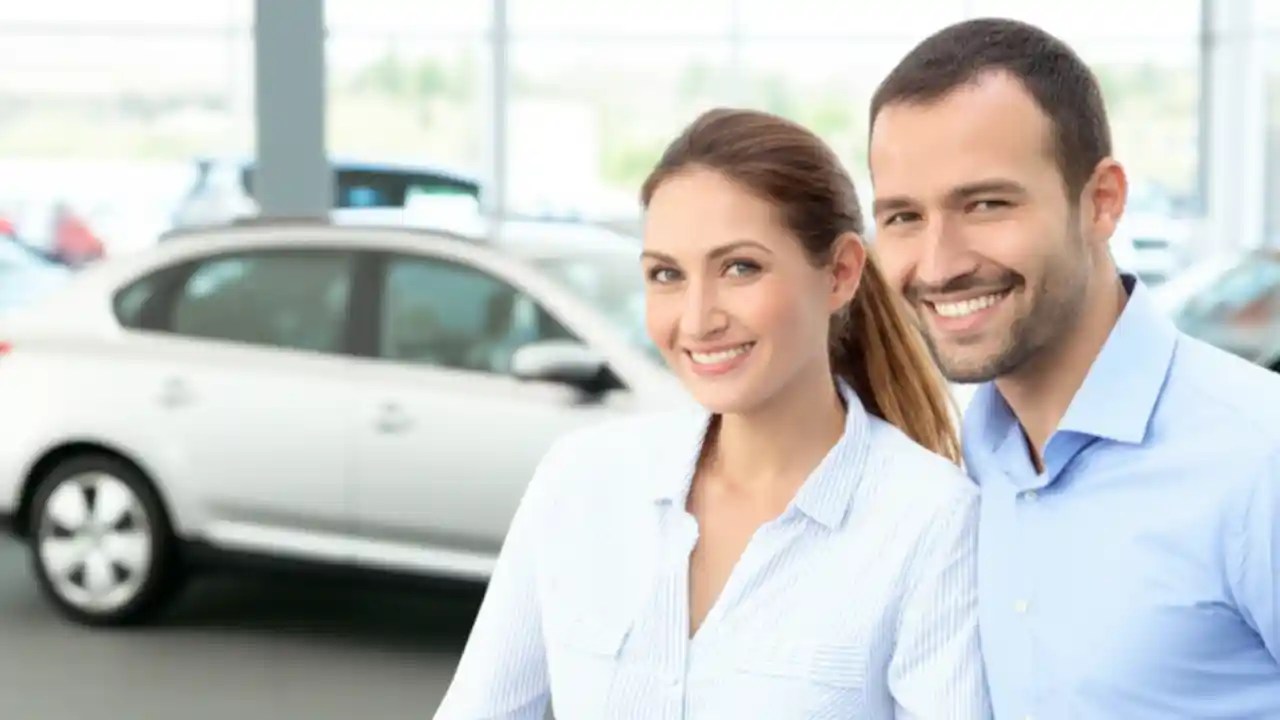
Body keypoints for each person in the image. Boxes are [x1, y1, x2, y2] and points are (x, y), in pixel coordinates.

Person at [434, 108, 991, 719]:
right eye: (666, 275)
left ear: (840, 273)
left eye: (739, 268)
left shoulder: (931, 521)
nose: (697, 319)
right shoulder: (580, 479)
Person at [867, 17, 1280, 720]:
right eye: (904, 217)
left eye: (986, 203)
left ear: (1103, 201)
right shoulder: (969, 465)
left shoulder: (1256, 458)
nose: (938, 264)